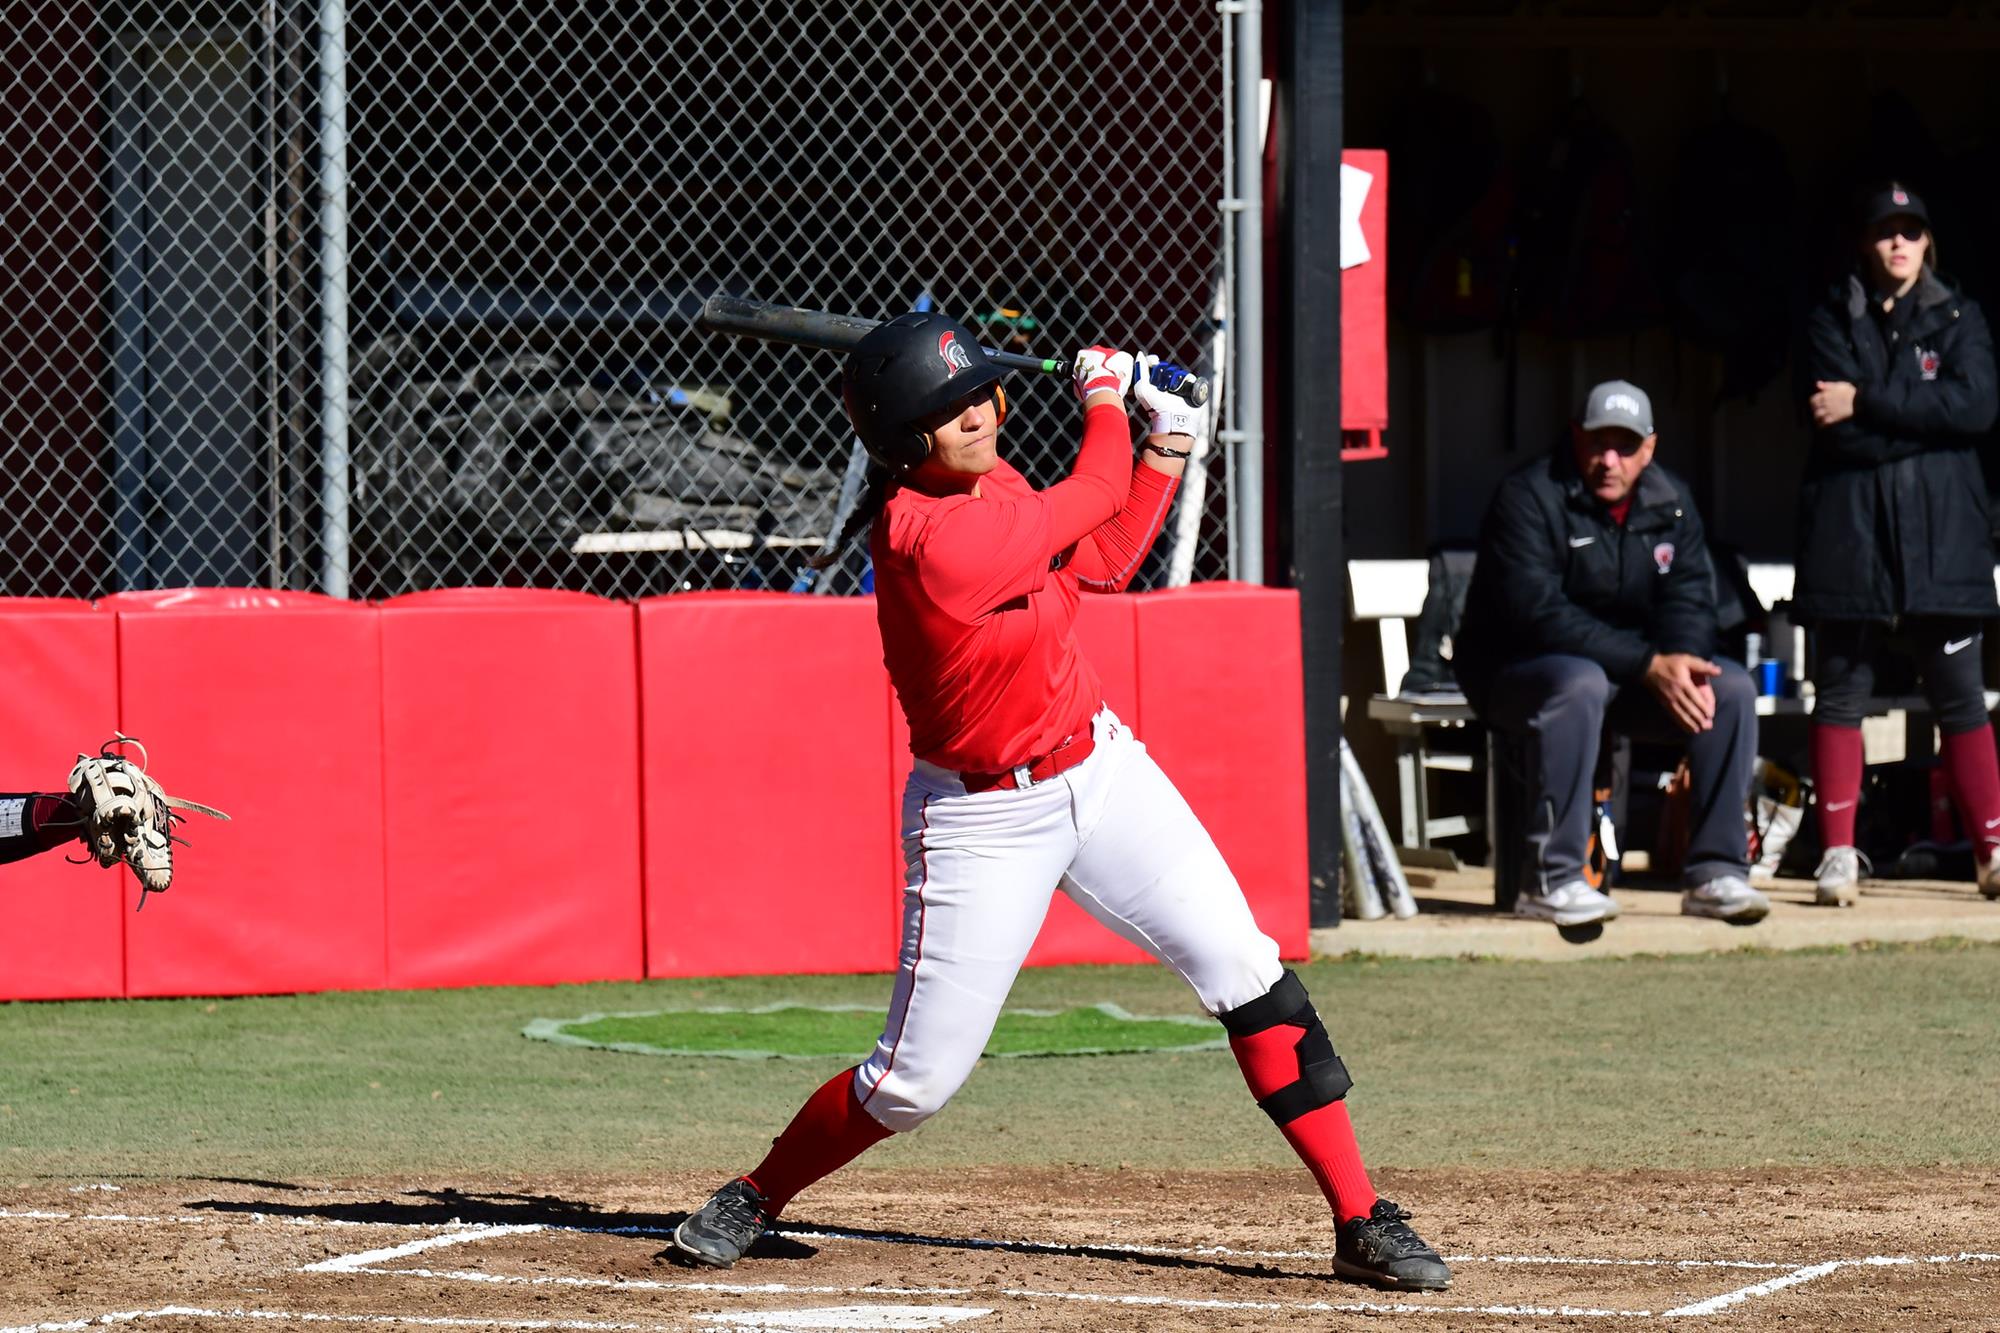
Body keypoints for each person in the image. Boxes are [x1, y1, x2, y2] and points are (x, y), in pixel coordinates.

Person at [669, 312, 1452, 1292]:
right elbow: (1085, 491)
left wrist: (1160, 441)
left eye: (977, 396)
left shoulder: (990, 485)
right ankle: (758, 1190)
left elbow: (1101, 555)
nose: (975, 417)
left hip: (1098, 768)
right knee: (910, 1084)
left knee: (1247, 968)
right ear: (902, 438)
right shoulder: (924, 537)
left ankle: (1357, 1216)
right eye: (946, 410)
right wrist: (1101, 395)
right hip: (980, 817)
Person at [1456, 380, 1769, 928]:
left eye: (1624, 447)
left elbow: (1693, 599)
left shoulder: (1671, 502)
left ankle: (1717, 872)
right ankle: (1552, 879)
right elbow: (1537, 614)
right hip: (1517, 672)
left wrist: (1680, 664)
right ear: (1575, 438)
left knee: (1731, 689)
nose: (1609, 460)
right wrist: (1649, 665)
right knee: (1579, 682)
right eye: (1597, 443)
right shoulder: (1530, 496)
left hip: (1627, 673)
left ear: (1649, 448)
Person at [1796, 183, 2000, 907]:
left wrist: (1871, 399)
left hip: (1944, 539)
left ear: (1928, 242)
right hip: (1851, 536)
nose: (1899, 243)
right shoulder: (1831, 314)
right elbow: (1833, 423)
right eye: (1886, 230)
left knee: (1959, 697)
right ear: (1865, 241)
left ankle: (1992, 851)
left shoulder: (1960, 314)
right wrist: (1920, 423)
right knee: (1842, 693)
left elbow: (1975, 408)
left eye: (1911, 230)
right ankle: (1839, 856)